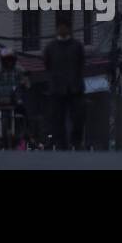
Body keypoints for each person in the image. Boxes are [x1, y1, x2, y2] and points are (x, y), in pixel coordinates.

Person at [43, 18, 86, 150]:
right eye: (60, 27)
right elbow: (47, 65)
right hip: (57, 89)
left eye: (65, 27)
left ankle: (76, 141)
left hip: (75, 88)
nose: (62, 30)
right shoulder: (50, 47)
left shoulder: (77, 46)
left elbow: (81, 64)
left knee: (78, 117)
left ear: (69, 29)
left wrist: (77, 81)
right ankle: (62, 144)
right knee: (58, 119)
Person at [0, 49, 30, 149]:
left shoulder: (18, 70)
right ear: (3, 61)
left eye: (10, 60)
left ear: (14, 60)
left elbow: (25, 79)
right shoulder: (0, 71)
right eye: (6, 60)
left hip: (15, 99)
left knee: (23, 109)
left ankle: (26, 132)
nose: (8, 62)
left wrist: (25, 83)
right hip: (1, 98)